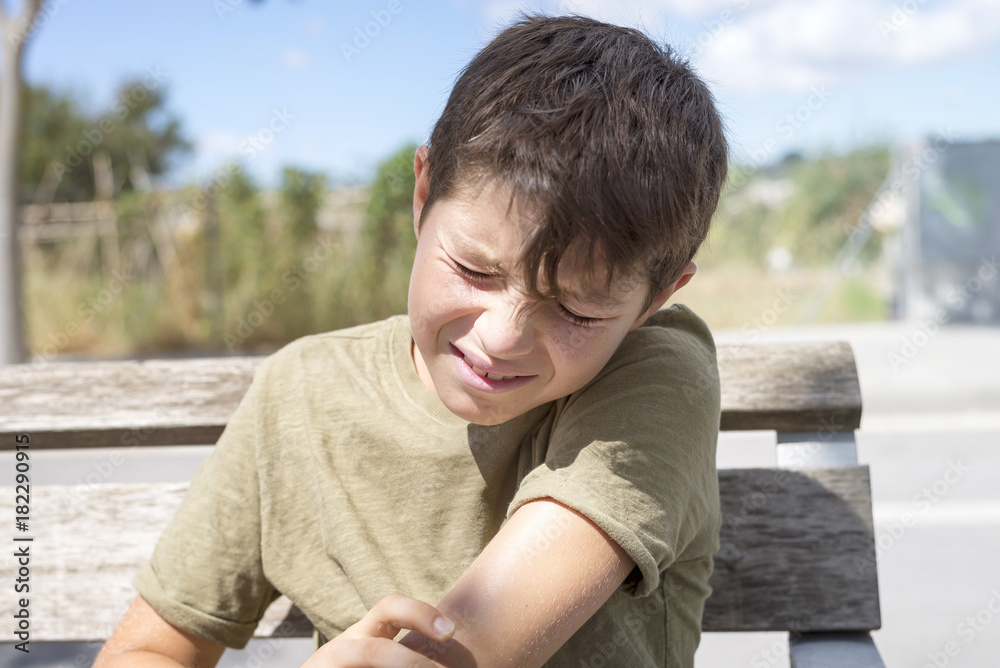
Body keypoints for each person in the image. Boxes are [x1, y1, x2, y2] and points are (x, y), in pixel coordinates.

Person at [94, 13, 728, 668]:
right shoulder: (301, 395)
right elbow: (143, 652)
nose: (502, 338)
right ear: (423, 194)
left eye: (577, 310)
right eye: (475, 271)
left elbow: (465, 647)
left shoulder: (660, 372)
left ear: (655, 299)